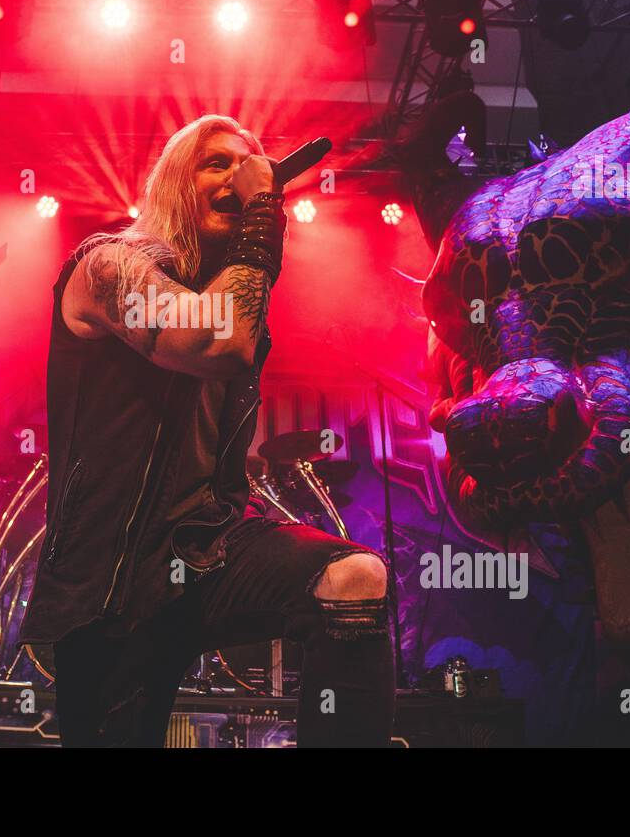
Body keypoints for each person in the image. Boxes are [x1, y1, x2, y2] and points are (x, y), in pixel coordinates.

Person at [20, 114, 394, 747]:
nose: (240, 178)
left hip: (206, 546)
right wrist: (258, 227)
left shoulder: (236, 302)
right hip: (114, 576)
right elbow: (212, 339)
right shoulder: (107, 266)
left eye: (249, 168)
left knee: (353, 579)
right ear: (172, 184)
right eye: (215, 164)